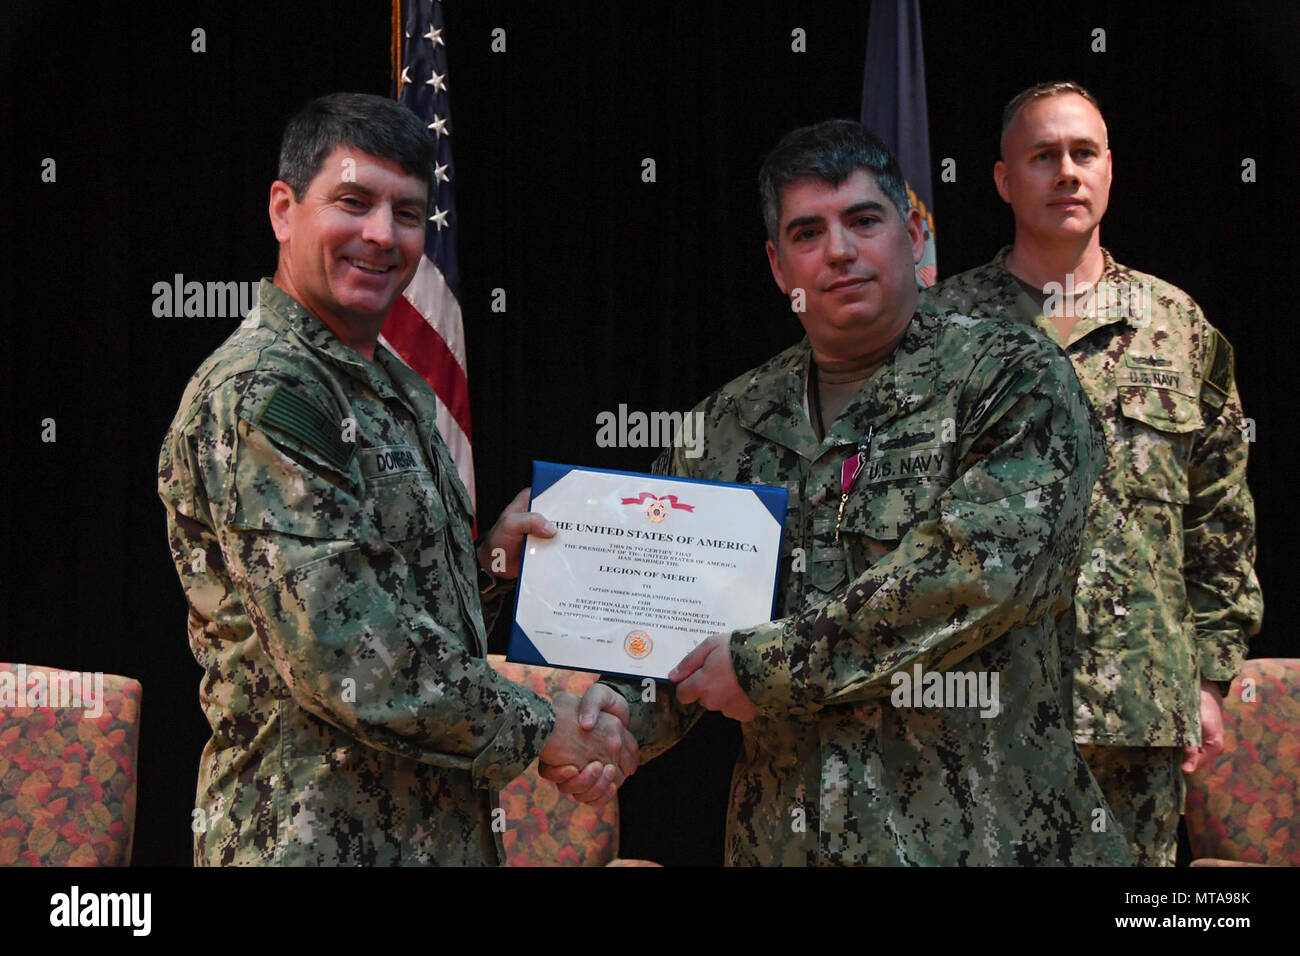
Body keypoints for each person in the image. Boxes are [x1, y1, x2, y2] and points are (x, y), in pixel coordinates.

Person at [545, 119, 1132, 866]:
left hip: (986, 837)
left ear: (913, 233)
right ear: (776, 264)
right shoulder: (723, 426)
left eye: (863, 220)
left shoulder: (1012, 379)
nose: (840, 251)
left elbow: (975, 579)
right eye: (807, 233)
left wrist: (762, 666)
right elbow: (671, 622)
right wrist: (618, 716)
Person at [157, 92, 636, 866]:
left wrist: (490, 565)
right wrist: (545, 726)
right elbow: (345, 650)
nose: (381, 235)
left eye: (407, 213)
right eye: (353, 202)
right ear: (284, 210)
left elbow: (394, 598)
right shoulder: (264, 394)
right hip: (313, 841)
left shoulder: (386, 384)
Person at [924, 81, 1263, 865]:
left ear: (1110, 169)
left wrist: (1209, 676)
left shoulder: (1179, 328)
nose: (1066, 173)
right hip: (979, 717)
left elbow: (1219, 519)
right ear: (1005, 180)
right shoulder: (942, 330)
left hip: (1136, 715)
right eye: (1043, 156)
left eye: (1083, 154)